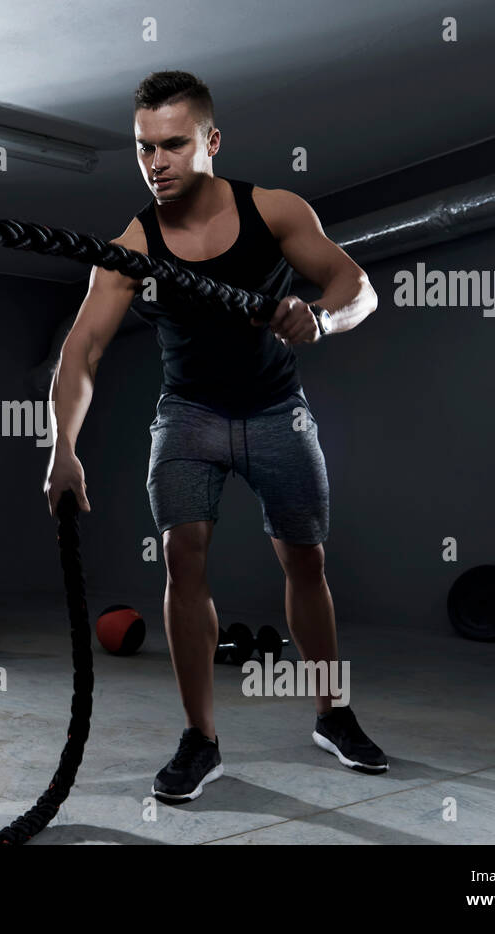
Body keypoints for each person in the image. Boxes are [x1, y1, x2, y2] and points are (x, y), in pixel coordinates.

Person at [44, 70, 388, 803]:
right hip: (189, 414)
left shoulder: (274, 209)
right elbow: (83, 352)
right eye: (144, 148)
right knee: (182, 557)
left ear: (211, 140)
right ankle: (201, 740)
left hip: (276, 412)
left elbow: (360, 290)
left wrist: (320, 319)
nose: (156, 162)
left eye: (172, 144)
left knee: (305, 559)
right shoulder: (133, 244)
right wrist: (63, 447)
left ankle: (334, 713)